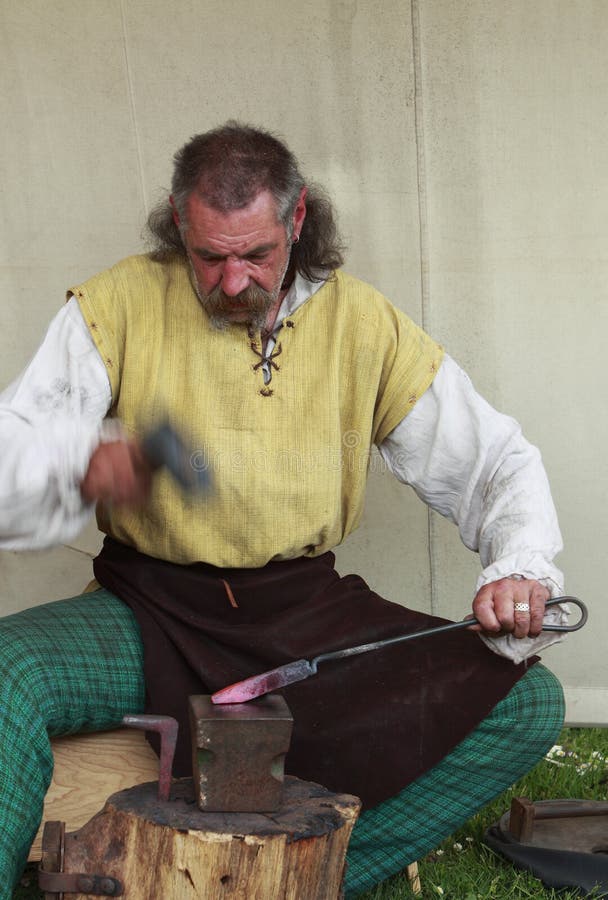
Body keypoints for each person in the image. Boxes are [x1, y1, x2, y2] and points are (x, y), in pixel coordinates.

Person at [0, 122, 567, 898]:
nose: (233, 282)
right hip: (151, 608)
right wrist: (81, 462)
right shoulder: (117, 304)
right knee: (6, 673)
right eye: (209, 257)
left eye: (255, 256)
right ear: (178, 220)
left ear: (297, 222)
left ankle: (298, 879)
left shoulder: (363, 323)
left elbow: (494, 462)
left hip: (306, 613)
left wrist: (518, 567)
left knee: (529, 703)